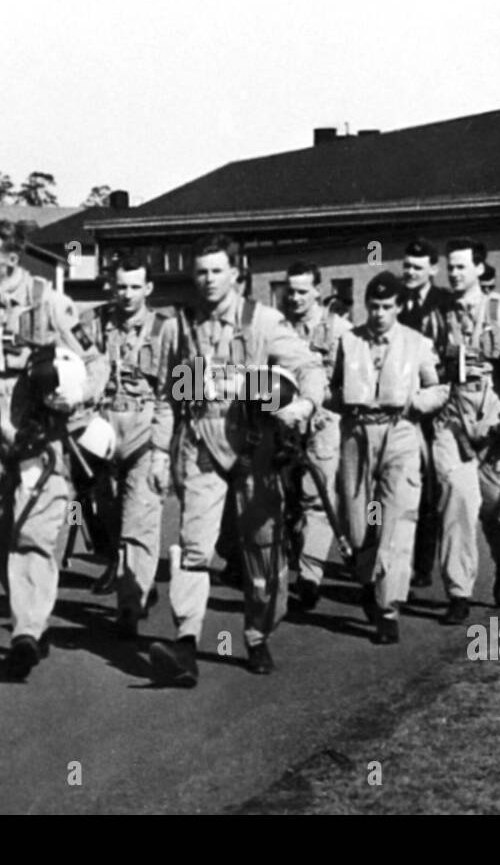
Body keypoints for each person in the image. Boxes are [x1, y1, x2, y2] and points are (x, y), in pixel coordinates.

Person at [146, 233, 325, 686]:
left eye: (216, 271)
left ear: (236, 275)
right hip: (201, 443)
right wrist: (156, 453)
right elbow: (168, 397)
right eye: (200, 272)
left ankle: (258, 633)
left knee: (262, 547)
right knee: (194, 547)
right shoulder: (179, 327)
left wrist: (301, 407)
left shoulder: (263, 322)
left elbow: (309, 369)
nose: (207, 280)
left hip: (254, 445)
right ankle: (185, 644)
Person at [0, 219, 108, 681]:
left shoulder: (50, 301)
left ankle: (25, 633)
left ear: (12, 258)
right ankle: (32, 613)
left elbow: (94, 359)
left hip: (35, 427)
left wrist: (79, 396)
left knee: (34, 531)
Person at [331, 272, 447, 644]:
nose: (379, 313)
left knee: (397, 520)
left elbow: (439, 387)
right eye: (374, 306)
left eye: (387, 307)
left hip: (399, 433)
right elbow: (333, 388)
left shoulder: (416, 343)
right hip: (357, 435)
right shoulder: (348, 341)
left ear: (398, 307)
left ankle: (388, 608)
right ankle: (369, 580)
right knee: (362, 523)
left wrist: (418, 402)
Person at [429, 237, 500, 625]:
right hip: (454, 423)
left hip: (495, 426)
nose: (454, 273)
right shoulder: (440, 315)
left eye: (461, 267)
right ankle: (458, 591)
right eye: (450, 267)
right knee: (457, 502)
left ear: (479, 269)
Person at [80, 252, 176, 638]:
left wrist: (166, 448)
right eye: (121, 286)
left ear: (148, 288)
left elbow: (179, 387)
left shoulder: (168, 329)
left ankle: (129, 604)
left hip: (145, 426)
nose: (127, 294)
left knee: (139, 518)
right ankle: (136, 581)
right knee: (106, 517)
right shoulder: (96, 322)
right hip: (101, 428)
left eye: (136, 286)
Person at [280, 261, 352, 610]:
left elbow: (350, 383)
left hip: (323, 424)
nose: (294, 298)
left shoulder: (339, 330)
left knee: (318, 498)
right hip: (282, 424)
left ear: (317, 293)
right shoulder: (278, 328)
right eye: (290, 291)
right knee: (285, 500)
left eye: (302, 292)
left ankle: (310, 576)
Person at [397, 238, 451, 591]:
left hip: (438, 403)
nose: (411, 273)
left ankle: (423, 564)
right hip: (405, 403)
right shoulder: (397, 303)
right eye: (407, 267)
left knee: (432, 486)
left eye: (418, 268)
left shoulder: (445, 303)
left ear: (433, 268)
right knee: (404, 484)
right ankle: (401, 558)